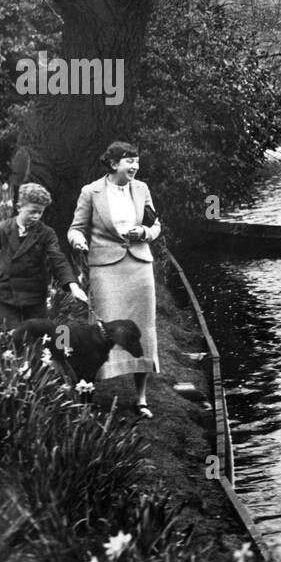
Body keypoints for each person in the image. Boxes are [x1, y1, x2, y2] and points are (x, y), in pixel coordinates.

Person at [68, 141, 161, 418]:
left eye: (136, 161)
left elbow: (155, 224)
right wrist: (79, 241)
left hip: (140, 266)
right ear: (112, 164)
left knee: (144, 329)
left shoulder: (142, 189)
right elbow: (75, 228)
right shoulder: (91, 192)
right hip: (106, 268)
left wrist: (144, 234)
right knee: (101, 331)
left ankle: (142, 398)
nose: (134, 166)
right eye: (128, 161)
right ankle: (87, 392)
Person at [0, 182, 87, 328]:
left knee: (36, 336)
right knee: (13, 335)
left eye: (40, 212)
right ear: (19, 208)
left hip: (34, 295)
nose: (37, 216)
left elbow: (58, 260)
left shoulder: (46, 233)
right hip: (5, 292)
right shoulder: (1, 229)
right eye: (32, 211)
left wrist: (74, 287)